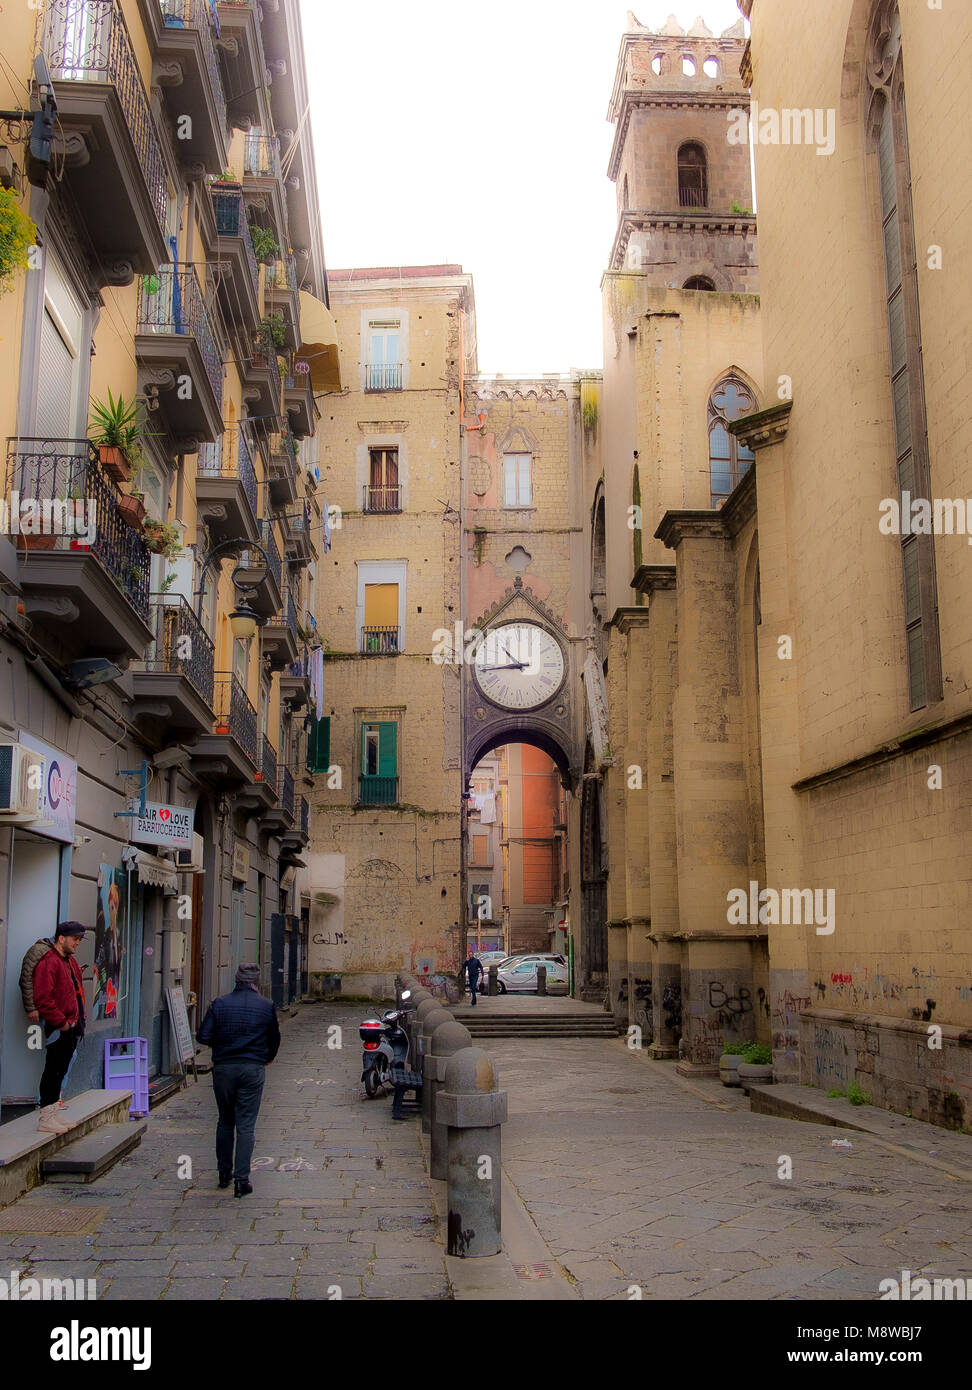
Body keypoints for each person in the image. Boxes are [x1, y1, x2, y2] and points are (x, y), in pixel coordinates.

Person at [197, 963, 280, 1197]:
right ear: (255, 981)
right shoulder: (266, 1005)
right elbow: (274, 1039)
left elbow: (203, 1035)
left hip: (224, 1068)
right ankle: (241, 1181)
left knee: (225, 1120)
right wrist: (267, 1058)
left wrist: (223, 1046)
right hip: (253, 1068)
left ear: (237, 980)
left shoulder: (220, 1003)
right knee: (246, 1125)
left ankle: (224, 1173)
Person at [31, 922, 87, 1134]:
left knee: (61, 1069)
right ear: (61, 938)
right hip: (60, 1026)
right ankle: (46, 1116)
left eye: (80, 939)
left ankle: (53, 1111)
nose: (78, 943)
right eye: (75, 939)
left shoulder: (69, 961)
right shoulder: (49, 962)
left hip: (72, 1024)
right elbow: (43, 999)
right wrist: (62, 1023)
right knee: (52, 1070)